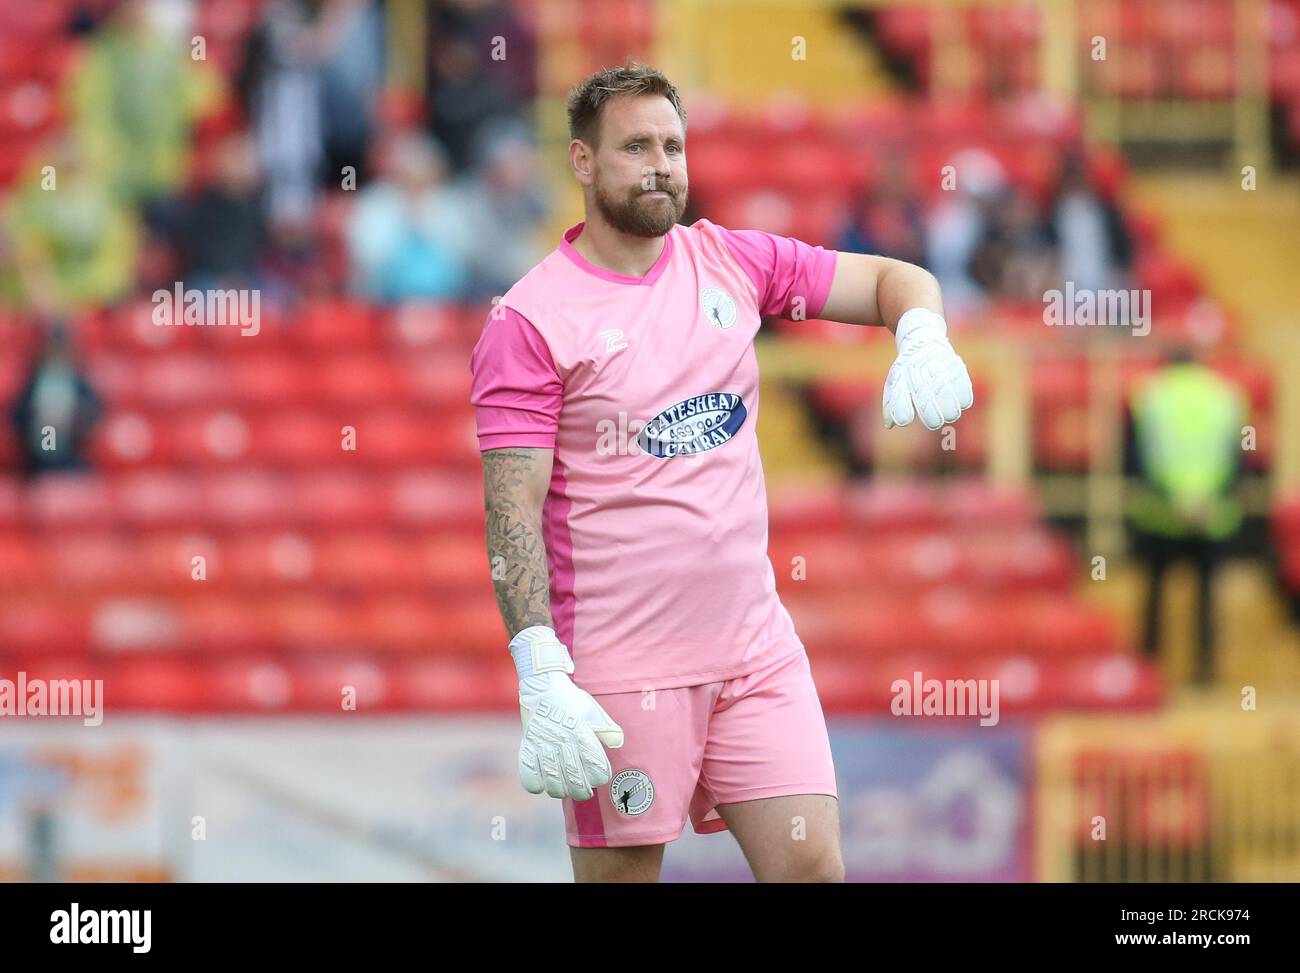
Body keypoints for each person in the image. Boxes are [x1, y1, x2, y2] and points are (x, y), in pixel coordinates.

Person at [468, 63, 974, 883]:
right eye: (635, 146)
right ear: (583, 163)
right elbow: (511, 509)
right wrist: (537, 666)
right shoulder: (530, 321)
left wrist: (921, 330)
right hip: (622, 667)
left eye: (673, 144)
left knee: (811, 865)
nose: (661, 163)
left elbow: (893, 279)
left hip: (754, 651)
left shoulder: (733, 261)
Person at [1128, 346, 1248, 686]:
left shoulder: (1150, 394)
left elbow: (1137, 456)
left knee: (1155, 593)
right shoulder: (1226, 395)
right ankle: (1206, 672)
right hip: (1212, 514)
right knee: (1207, 596)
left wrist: (1173, 496)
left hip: (1162, 512)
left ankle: (1148, 671)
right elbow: (1239, 458)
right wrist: (1208, 498)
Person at [10, 324, 102, 478]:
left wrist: (76, 423)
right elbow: (18, 415)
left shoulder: (78, 383)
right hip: (37, 460)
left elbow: (93, 414)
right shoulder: (33, 382)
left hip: (71, 456)